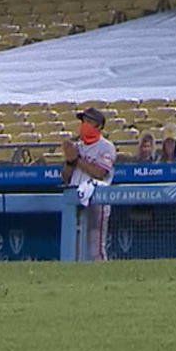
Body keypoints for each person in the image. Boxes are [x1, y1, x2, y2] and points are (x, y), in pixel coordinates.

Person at [62, 107, 116, 261]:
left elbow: (99, 172)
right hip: (75, 198)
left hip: (97, 199)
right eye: (83, 121)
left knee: (95, 248)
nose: (84, 125)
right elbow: (65, 177)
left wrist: (77, 159)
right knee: (75, 247)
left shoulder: (106, 146)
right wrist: (70, 161)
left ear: (99, 126)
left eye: (89, 122)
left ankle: (101, 273)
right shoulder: (77, 146)